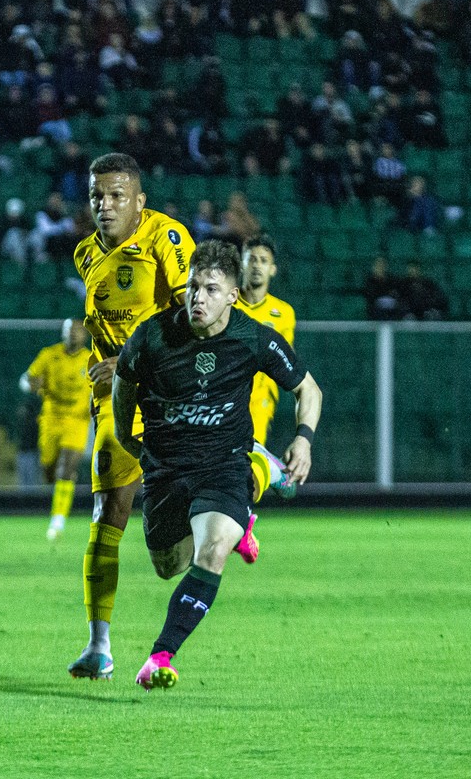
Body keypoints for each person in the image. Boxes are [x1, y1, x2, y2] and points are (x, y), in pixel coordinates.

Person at [68, 153, 292, 680]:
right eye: (98, 195)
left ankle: (253, 476)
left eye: (117, 195)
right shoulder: (85, 254)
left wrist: (132, 359)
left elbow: (194, 316)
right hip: (117, 399)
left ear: (139, 200)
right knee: (120, 524)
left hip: (171, 394)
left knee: (203, 509)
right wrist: (115, 370)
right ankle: (99, 645)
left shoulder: (166, 241)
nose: (106, 205)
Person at [112, 239, 323, 690]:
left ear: (232, 296)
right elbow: (123, 380)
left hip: (224, 466)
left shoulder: (253, 337)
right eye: (193, 287)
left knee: (213, 551)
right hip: (167, 469)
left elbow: (309, 389)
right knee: (168, 565)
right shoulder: (154, 335)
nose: (198, 298)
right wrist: (124, 433)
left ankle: (160, 656)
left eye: (210, 289)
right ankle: (243, 519)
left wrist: (303, 441)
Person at [21, 318, 91, 541]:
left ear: (85, 335)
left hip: (77, 421)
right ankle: (63, 487)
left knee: (66, 469)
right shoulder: (48, 354)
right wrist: (30, 384)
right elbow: (26, 379)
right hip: (51, 420)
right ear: (62, 333)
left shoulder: (90, 360)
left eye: (77, 331)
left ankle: (58, 521)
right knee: (49, 471)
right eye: (69, 330)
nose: (73, 334)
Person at [235, 236, 297, 452]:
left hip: (259, 403)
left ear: (273, 269)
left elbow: (285, 358)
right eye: (251, 259)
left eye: (263, 261)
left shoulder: (283, 313)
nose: (257, 265)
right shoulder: (226, 304)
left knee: (248, 460)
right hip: (223, 397)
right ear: (241, 264)